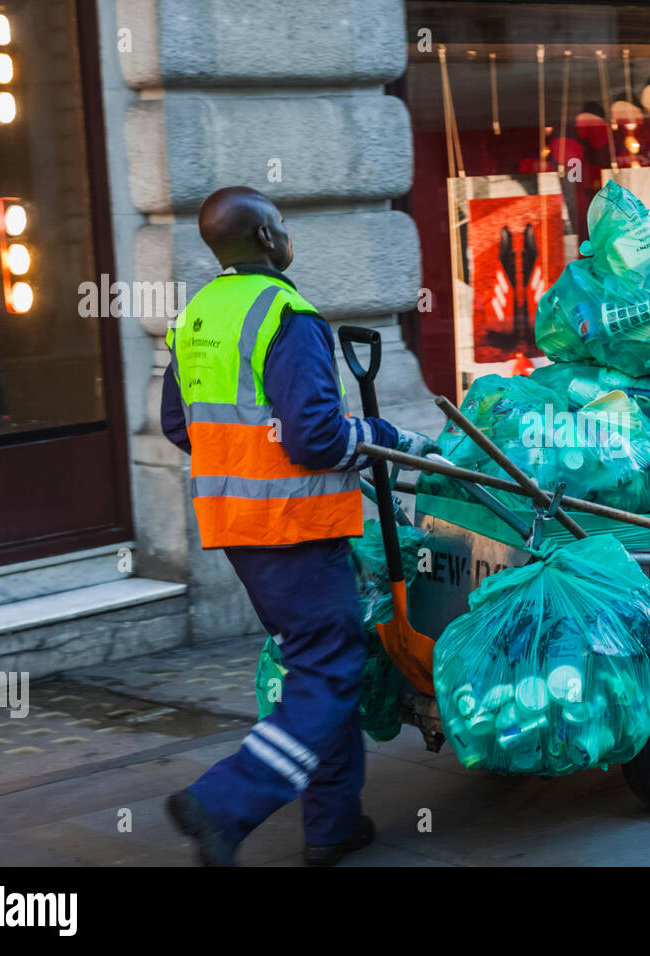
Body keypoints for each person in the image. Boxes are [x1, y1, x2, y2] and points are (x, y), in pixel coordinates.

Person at [159, 186, 435, 866]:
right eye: (279, 224)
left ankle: (332, 825)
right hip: (296, 528)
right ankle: (223, 804)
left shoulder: (199, 317)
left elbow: (178, 424)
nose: (287, 235)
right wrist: (381, 434)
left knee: (320, 663)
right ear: (261, 239)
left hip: (239, 531)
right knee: (330, 670)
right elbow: (314, 437)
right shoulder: (288, 315)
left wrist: (246, 455)